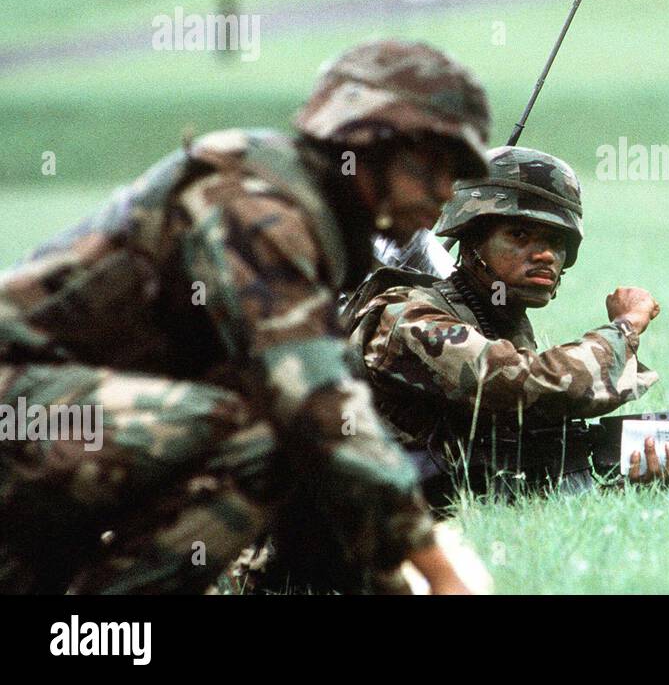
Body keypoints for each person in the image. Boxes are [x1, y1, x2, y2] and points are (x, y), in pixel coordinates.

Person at [0, 38, 492, 594]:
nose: (447, 192)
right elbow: (317, 406)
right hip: (20, 407)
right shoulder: (255, 202)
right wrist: (442, 574)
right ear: (372, 144)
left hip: (59, 426)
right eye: (436, 166)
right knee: (265, 434)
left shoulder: (313, 221)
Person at [344, 145, 669, 505]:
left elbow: (511, 492)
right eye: (519, 235)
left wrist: (635, 485)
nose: (544, 254)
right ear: (471, 242)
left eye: (556, 241)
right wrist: (624, 328)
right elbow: (526, 385)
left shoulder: (500, 325)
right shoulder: (406, 317)